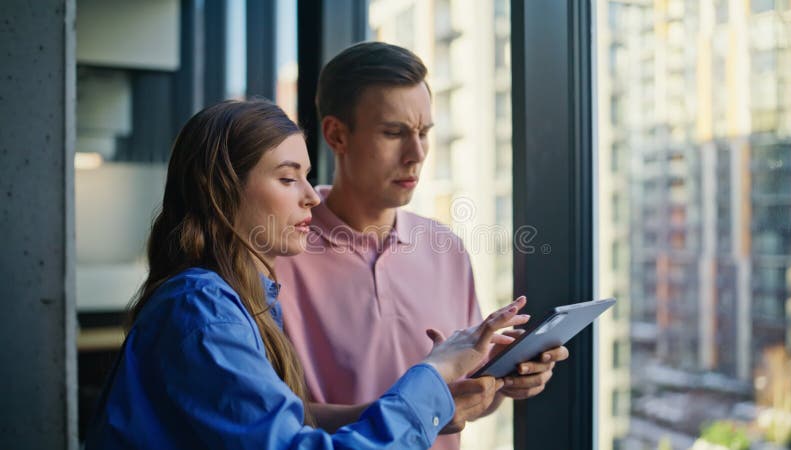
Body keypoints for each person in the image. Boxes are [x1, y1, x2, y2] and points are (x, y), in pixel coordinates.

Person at [84, 99, 532, 449]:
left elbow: (286, 424)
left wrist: (435, 397)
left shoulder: (236, 301)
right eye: (286, 178)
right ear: (221, 191)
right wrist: (432, 373)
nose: (311, 198)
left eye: (307, 177)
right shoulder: (203, 310)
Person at [274, 41, 569, 449]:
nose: (416, 154)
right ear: (336, 135)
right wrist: (423, 407)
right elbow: (270, 417)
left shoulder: (446, 249)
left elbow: (466, 399)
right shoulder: (277, 254)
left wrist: (505, 380)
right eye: (394, 133)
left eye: (424, 133)